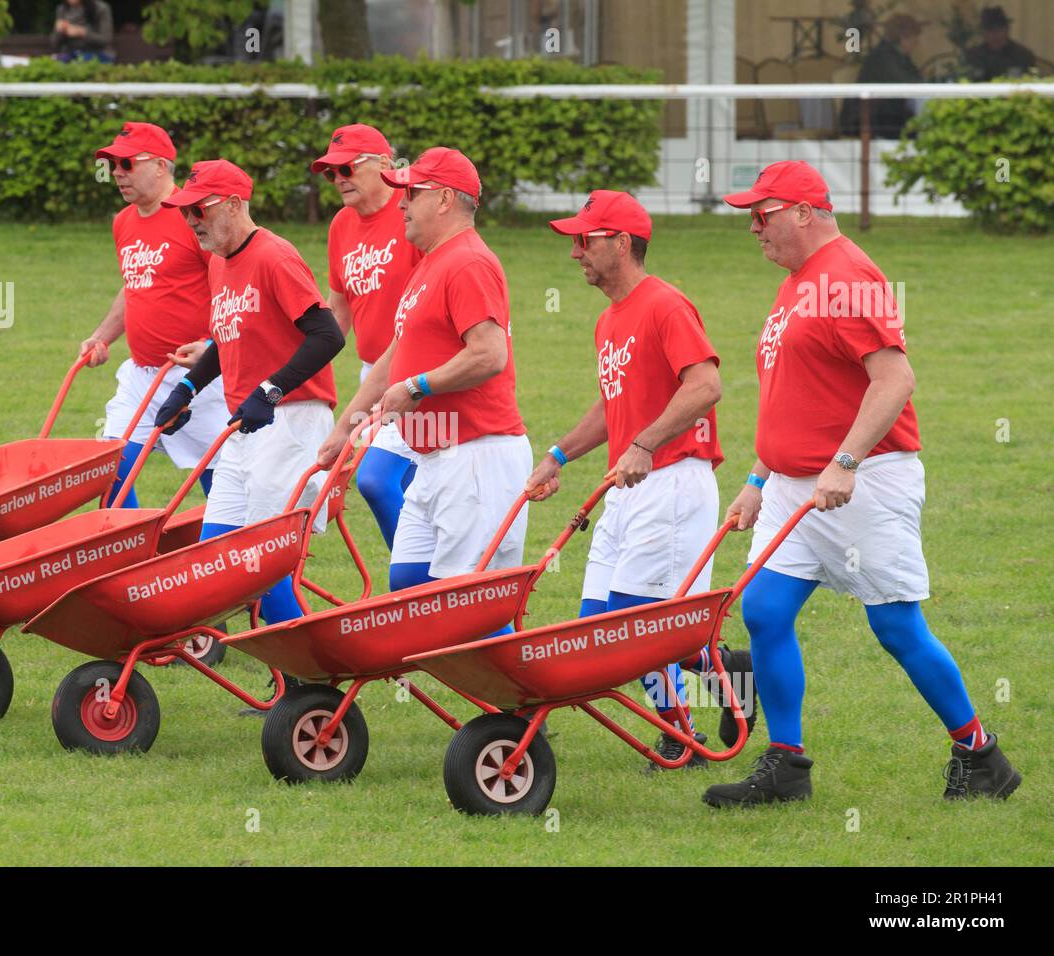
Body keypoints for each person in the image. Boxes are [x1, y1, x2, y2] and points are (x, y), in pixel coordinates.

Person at [704, 161, 1021, 807]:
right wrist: (757, 478)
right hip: (797, 484)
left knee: (897, 627)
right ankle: (787, 767)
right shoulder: (799, 280)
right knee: (764, 610)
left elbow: (895, 380)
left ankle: (979, 751)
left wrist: (844, 463)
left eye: (761, 216)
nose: (754, 230)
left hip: (862, 479)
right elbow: (797, 395)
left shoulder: (847, 275)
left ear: (802, 211)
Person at [524, 190, 754, 769]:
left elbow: (704, 386)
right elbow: (612, 406)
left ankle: (690, 727)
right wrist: (558, 454)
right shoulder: (608, 320)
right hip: (628, 485)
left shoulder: (666, 305)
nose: (575, 252)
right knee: (597, 626)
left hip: (673, 479)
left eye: (586, 240)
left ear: (622, 243)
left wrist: (647, 443)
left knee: (633, 626)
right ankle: (717, 687)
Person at [316, 147, 530, 602]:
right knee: (410, 586)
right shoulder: (431, 261)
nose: (400, 204)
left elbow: (490, 354)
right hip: (437, 457)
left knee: (461, 607)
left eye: (410, 193)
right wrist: (345, 427)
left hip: (476, 456)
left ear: (445, 200)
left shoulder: (468, 262)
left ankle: (528, 674)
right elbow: (393, 359)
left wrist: (418, 387)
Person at [154, 159, 344, 631]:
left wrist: (272, 388)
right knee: (222, 559)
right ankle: (294, 694)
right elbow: (227, 338)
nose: (190, 222)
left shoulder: (274, 256)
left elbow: (327, 334)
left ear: (235, 204)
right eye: (184, 212)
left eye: (199, 210)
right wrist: (186, 387)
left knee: (260, 563)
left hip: (291, 420)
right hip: (247, 424)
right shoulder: (221, 262)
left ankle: (312, 688)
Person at [83, 122, 229, 508]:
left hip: (200, 376)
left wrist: (214, 346)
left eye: (127, 163)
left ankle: (246, 557)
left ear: (162, 166)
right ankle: (129, 562)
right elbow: (136, 285)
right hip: (141, 375)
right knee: (109, 471)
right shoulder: (124, 221)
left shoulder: (193, 216)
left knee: (224, 485)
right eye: (113, 164)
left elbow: (232, 284)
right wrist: (102, 336)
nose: (117, 172)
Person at [311, 124, 423, 549]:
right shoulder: (342, 224)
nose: (338, 179)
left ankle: (418, 581)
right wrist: (298, 370)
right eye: (330, 173)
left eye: (346, 168)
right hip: (371, 375)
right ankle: (432, 583)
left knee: (376, 479)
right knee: (413, 485)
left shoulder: (413, 212)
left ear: (383, 164)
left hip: (419, 373)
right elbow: (338, 309)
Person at [839, 14, 924, 138]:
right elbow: (908, 83)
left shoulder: (898, 56)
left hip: (880, 116)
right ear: (903, 38)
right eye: (915, 37)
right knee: (917, 128)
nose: (917, 43)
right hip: (865, 120)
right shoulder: (883, 57)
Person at [966, 6, 1036, 80]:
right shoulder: (974, 56)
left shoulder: (1023, 55)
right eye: (990, 30)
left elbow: (1031, 84)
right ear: (984, 33)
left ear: (1007, 30)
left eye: (999, 29)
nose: (995, 35)